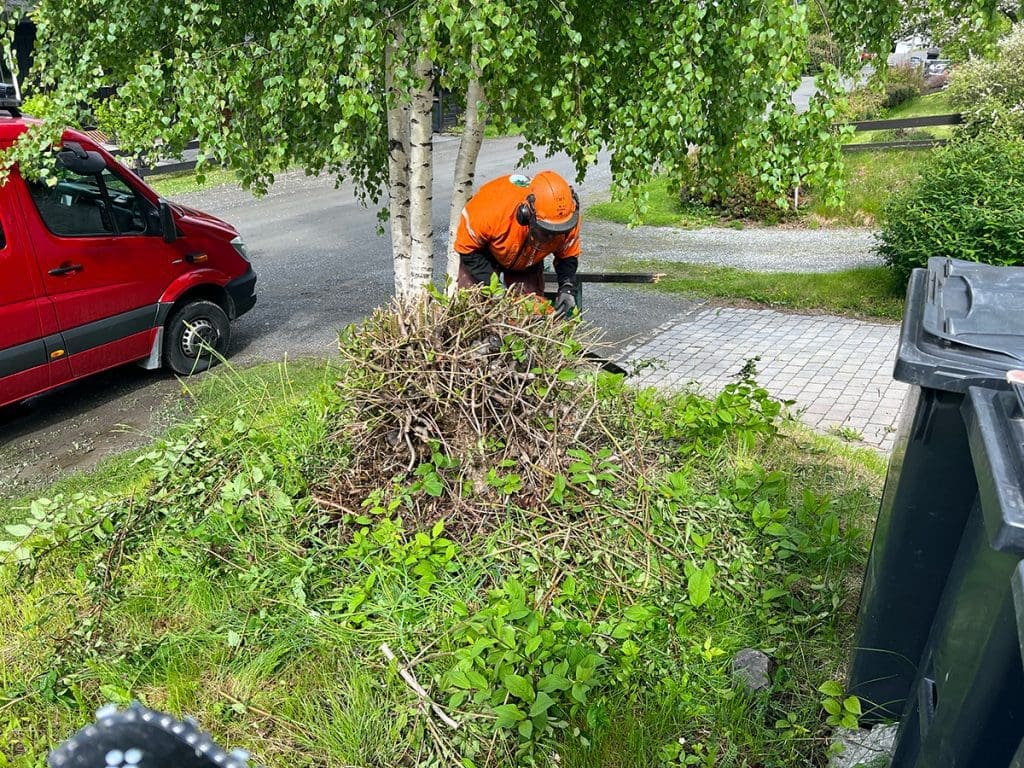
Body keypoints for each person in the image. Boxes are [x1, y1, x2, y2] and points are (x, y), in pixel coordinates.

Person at [454, 170, 581, 316]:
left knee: (532, 312)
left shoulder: (567, 218)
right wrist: (494, 287)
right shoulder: (489, 209)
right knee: (472, 308)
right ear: (526, 214)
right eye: (546, 232)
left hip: (530, 259)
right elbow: (466, 249)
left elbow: (567, 255)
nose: (551, 238)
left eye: (557, 233)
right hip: (483, 253)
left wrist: (567, 287)